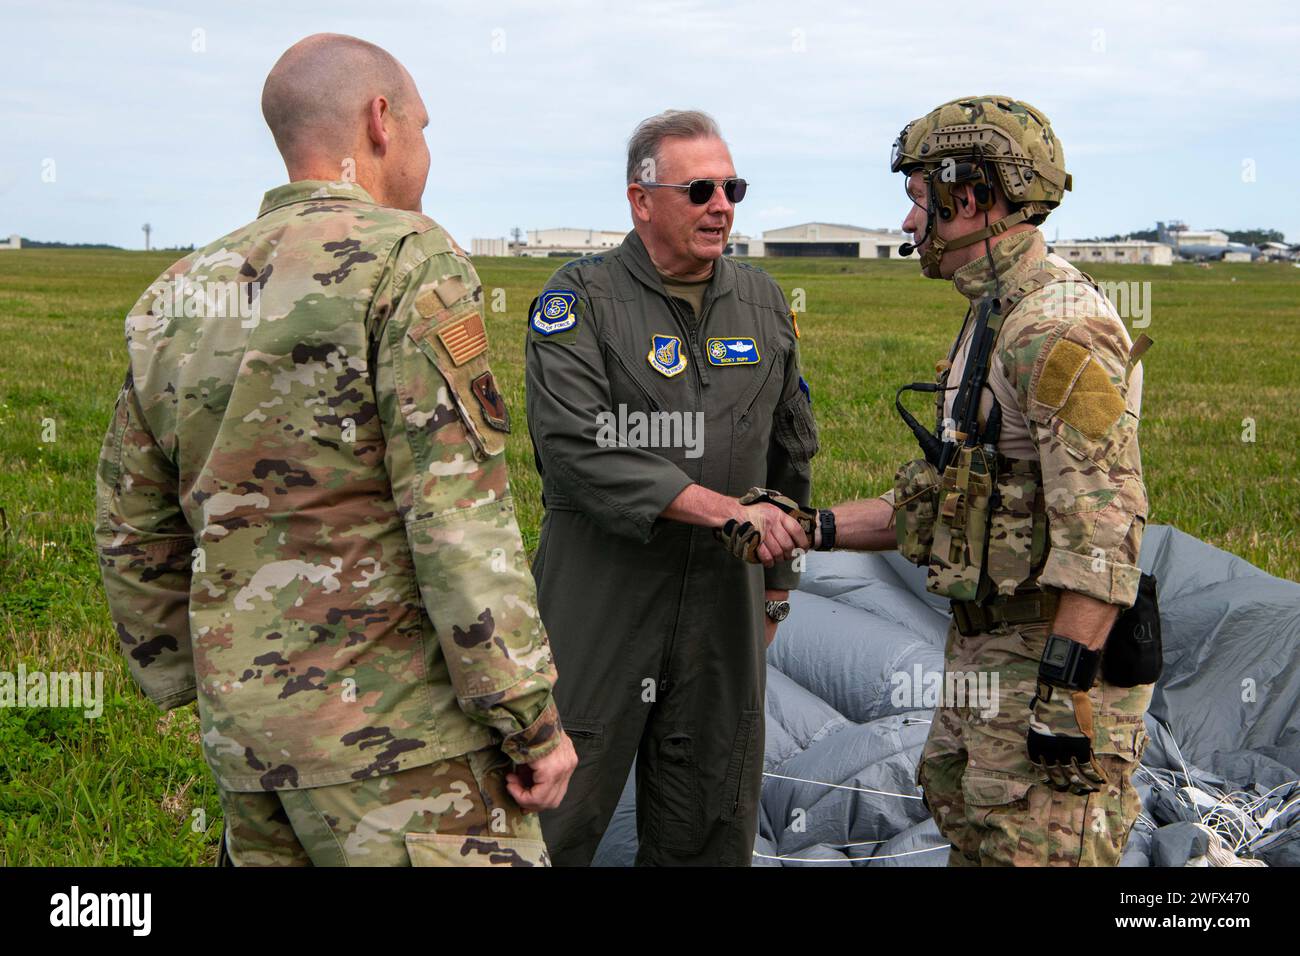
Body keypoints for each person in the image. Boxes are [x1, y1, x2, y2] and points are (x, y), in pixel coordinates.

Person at [93, 32, 575, 867]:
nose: (425, 153)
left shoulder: (177, 289)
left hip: (253, 750)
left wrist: (193, 678)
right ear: (380, 122)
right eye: (424, 128)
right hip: (407, 749)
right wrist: (526, 716)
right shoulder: (408, 258)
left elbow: (129, 524)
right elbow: (456, 521)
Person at [805, 96, 1152, 866]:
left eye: (917, 203)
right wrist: (812, 528)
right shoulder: (996, 312)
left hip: (1043, 667)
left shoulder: (1057, 326)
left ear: (970, 198)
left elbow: (1105, 531)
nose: (906, 226)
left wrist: (1063, 700)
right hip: (988, 654)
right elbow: (948, 502)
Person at [524, 110, 817, 866]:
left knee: (711, 809)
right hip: (603, 594)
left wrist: (778, 584)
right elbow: (576, 446)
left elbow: (791, 448)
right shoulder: (578, 300)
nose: (722, 205)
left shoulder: (762, 301)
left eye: (732, 187)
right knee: (557, 809)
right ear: (641, 199)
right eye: (700, 189)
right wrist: (725, 512)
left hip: (725, 602)